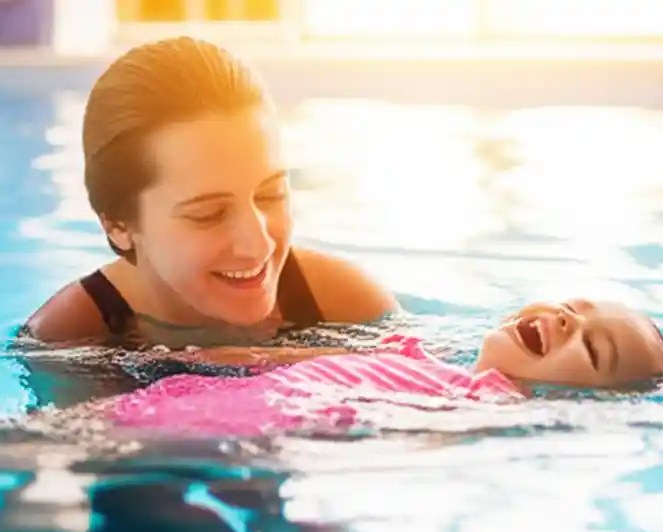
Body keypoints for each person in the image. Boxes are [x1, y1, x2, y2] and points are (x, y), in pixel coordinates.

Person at [22, 36, 398, 348]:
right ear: (119, 224)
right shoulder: (69, 334)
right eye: (209, 214)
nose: (258, 245)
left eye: (270, 195)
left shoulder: (341, 302)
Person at [95, 298, 663, 436]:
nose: (564, 320)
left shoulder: (487, 408)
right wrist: (176, 359)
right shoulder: (415, 358)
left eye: (593, 349)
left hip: (225, 430)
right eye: (572, 307)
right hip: (184, 401)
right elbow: (270, 360)